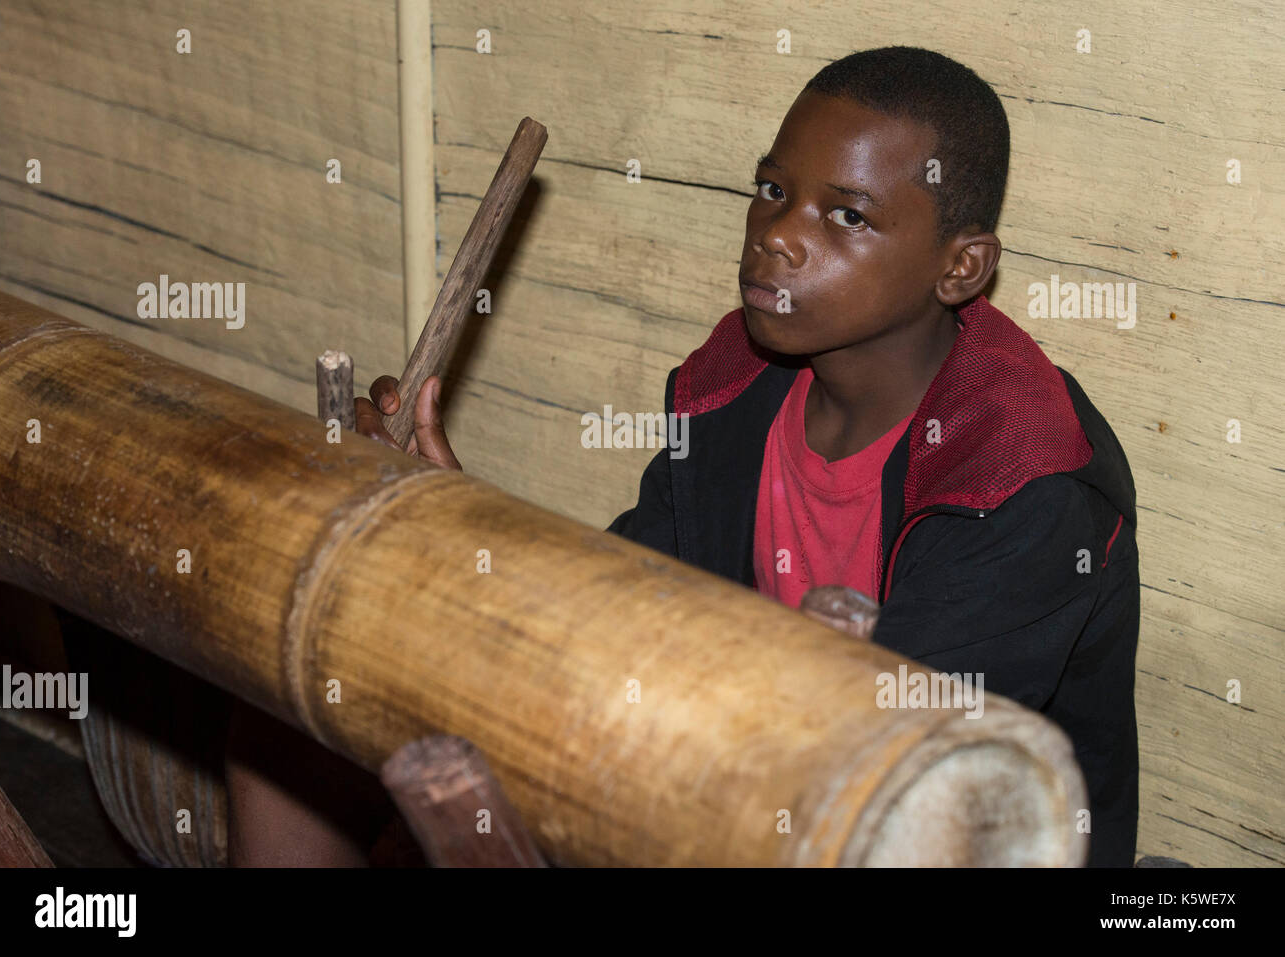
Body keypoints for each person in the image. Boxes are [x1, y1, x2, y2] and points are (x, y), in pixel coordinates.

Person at [237, 46, 1141, 867]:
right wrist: (453, 523)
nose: (778, 233)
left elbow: (884, 787)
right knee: (281, 734)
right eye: (772, 191)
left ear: (961, 267)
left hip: (890, 832)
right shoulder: (729, 391)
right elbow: (624, 606)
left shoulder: (1019, 475)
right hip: (717, 780)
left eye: (849, 215)